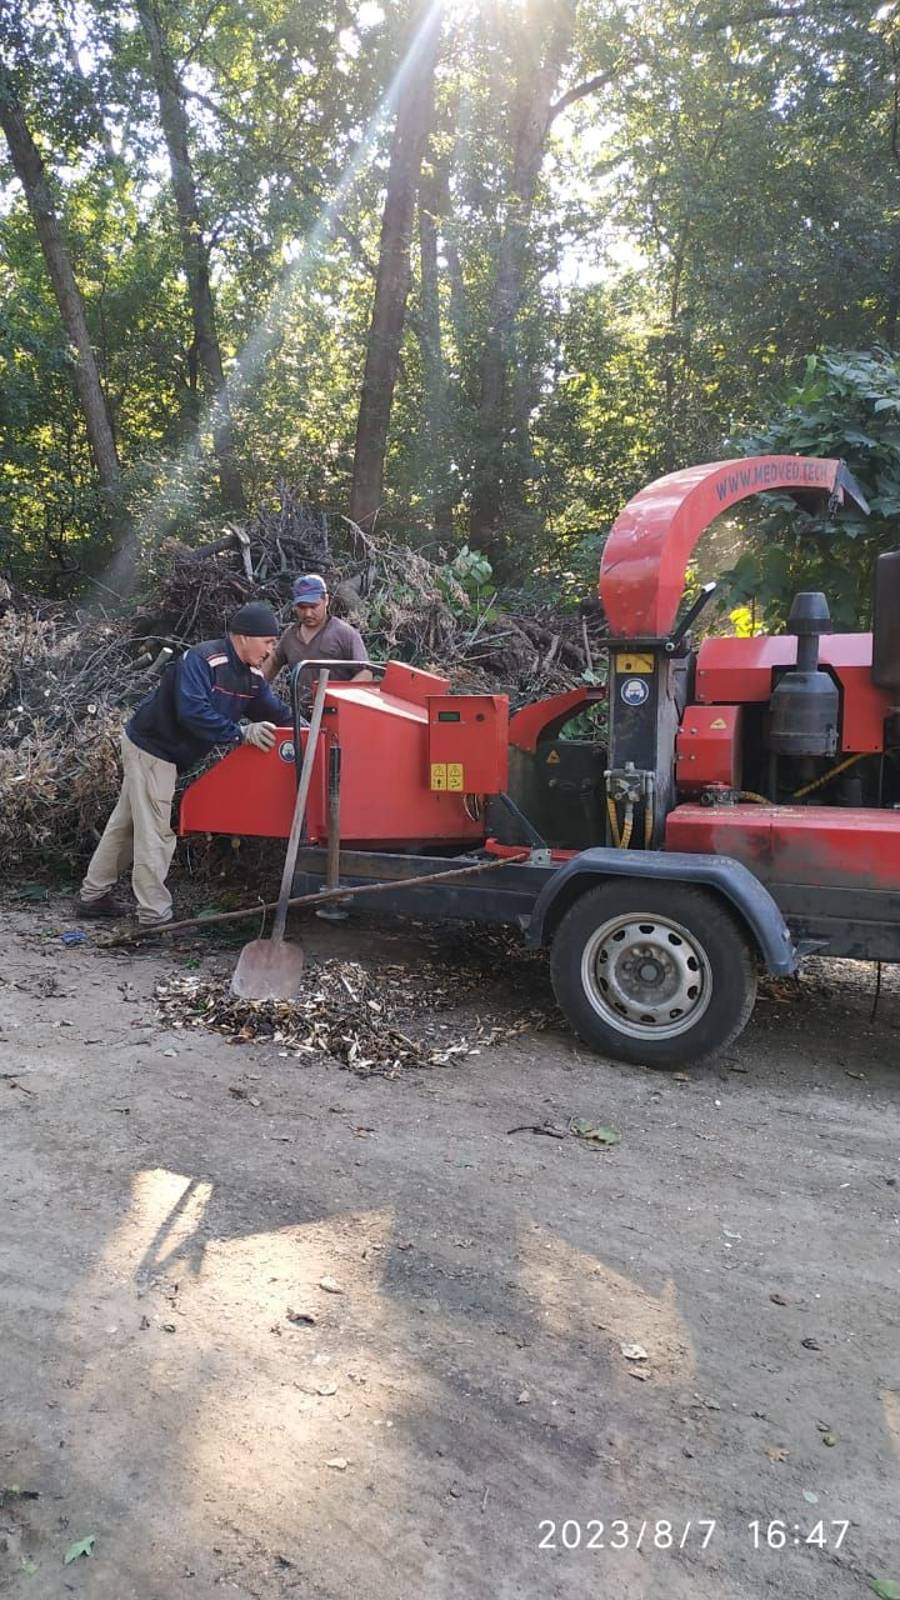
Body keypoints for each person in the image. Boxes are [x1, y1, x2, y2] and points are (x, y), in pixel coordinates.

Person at [77, 602, 292, 926]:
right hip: (152, 747)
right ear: (245, 637)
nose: (271, 650)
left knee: (127, 825)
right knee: (155, 833)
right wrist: (240, 732)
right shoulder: (203, 659)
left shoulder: (250, 677)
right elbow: (191, 711)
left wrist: (313, 726)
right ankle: (154, 915)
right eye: (269, 642)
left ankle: (93, 896)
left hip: (168, 753)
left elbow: (276, 713)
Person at [262, 573, 370, 689]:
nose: (308, 613)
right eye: (302, 607)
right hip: (300, 706)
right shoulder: (290, 637)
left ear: (326, 600)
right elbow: (274, 661)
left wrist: (341, 697)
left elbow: (366, 673)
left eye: (313, 606)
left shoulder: (344, 634)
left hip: (336, 705)